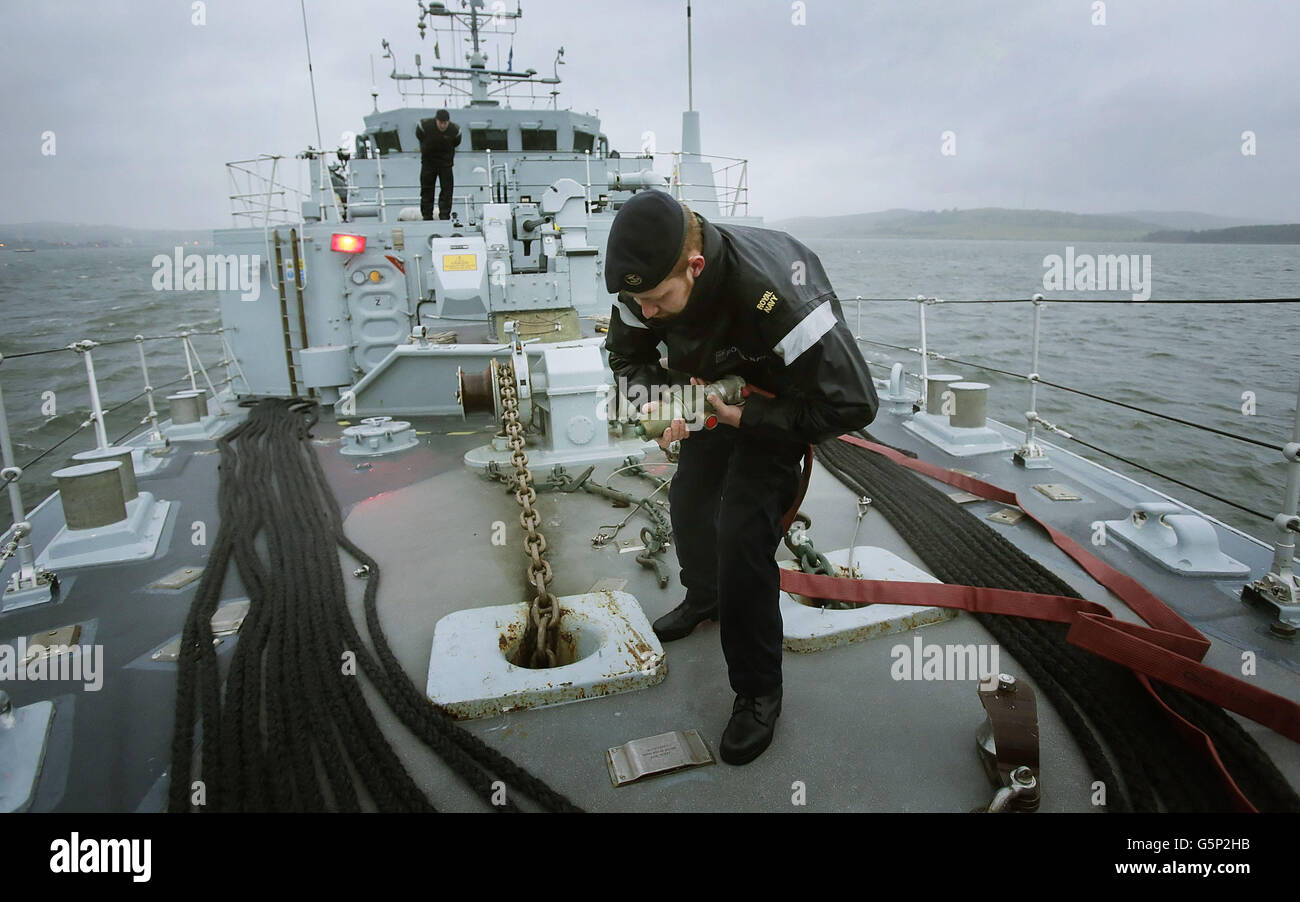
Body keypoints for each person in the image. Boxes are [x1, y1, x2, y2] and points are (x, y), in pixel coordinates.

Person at [602, 190, 879, 765]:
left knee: (742, 533)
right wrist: (654, 399)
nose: (646, 314)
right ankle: (705, 596)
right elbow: (627, 358)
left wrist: (749, 417)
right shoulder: (642, 287)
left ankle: (758, 692)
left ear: (695, 266)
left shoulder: (780, 298)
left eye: (656, 302)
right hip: (708, 390)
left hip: (777, 406)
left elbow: (853, 404)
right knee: (689, 499)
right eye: (637, 302)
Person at [416, 109, 461, 220]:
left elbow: (456, 142)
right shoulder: (425, 126)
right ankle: (427, 215)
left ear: (448, 122)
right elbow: (420, 135)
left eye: (445, 123)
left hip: (446, 164)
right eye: (440, 122)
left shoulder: (454, 130)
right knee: (427, 190)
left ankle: (445, 215)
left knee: (447, 191)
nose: (443, 125)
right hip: (428, 163)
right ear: (436, 120)